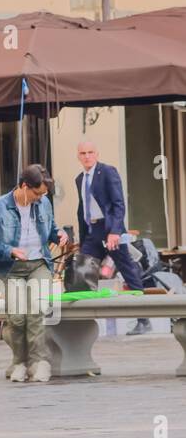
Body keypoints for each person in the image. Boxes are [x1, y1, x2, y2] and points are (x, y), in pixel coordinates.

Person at [0, 164, 67, 384]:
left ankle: (39, 362)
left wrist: (59, 235)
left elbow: (51, 228)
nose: (40, 198)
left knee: (35, 312)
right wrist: (9, 250)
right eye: (37, 193)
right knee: (17, 318)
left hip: (38, 264)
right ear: (24, 186)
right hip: (11, 268)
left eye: (43, 195)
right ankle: (19, 362)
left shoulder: (43, 202)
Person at [75, 140, 149, 335]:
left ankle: (144, 319)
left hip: (111, 230)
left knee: (127, 270)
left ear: (97, 154)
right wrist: (82, 238)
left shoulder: (107, 172)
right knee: (82, 271)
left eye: (91, 152)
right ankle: (83, 322)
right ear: (78, 156)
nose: (87, 156)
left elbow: (118, 204)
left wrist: (115, 231)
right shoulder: (79, 179)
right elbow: (82, 208)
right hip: (92, 231)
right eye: (83, 153)